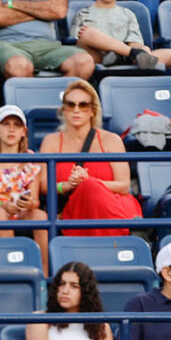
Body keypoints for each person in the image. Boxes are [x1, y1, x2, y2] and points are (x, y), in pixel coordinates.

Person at [38, 78, 143, 237]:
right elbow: (44, 186)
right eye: (70, 104)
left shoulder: (111, 140)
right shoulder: (51, 142)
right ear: (63, 110)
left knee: (90, 186)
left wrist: (89, 183)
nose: (76, 110)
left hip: (114, 205)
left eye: (83, 105)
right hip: (75, 209)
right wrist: (68, 185)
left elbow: (123, 185)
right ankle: (131, 234)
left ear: (93, 110)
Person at [71, 0, 171, 70]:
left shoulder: (128, 14)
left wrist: (141, 50)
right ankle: (130, 56)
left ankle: (124, 57)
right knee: (87, 33)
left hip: (128, 57)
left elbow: (135, 43)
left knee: (170, 54)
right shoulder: (83, 14)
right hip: (98, 58)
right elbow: (78, 44)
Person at [0, 105, 50, 261]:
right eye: (6, 124)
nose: (11, 130)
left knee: (41, 216)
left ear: (24, 132)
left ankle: (44, 277)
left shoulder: (31, 159)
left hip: (21, 212)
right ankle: (10, 268)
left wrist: (28, 203)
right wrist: (3, 206)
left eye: (16, 125)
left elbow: (35, 201)